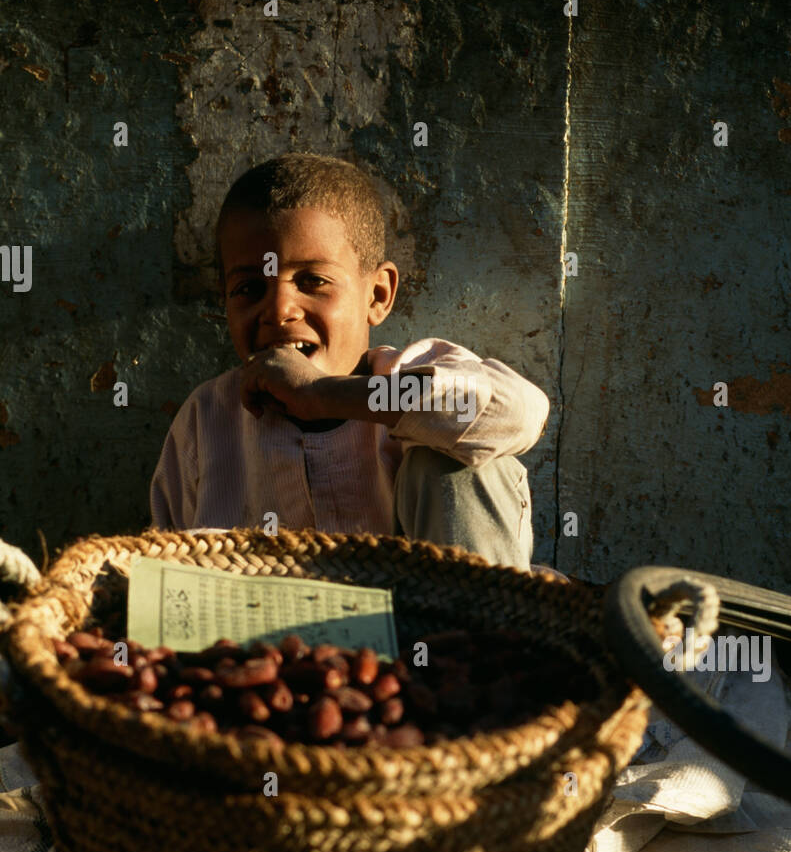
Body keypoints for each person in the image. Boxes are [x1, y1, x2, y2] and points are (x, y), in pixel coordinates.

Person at [150, 153, 552, 571]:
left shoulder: (409, 375)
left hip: (440, 622)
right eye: (249, 288)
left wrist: (325, 394)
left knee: (460, 460)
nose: (279, 309)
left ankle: (483, 633)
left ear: (377, 296)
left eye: (312, 282)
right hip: (279, 630)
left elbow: (522, 412)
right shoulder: (207, 419)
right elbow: (161, 563)